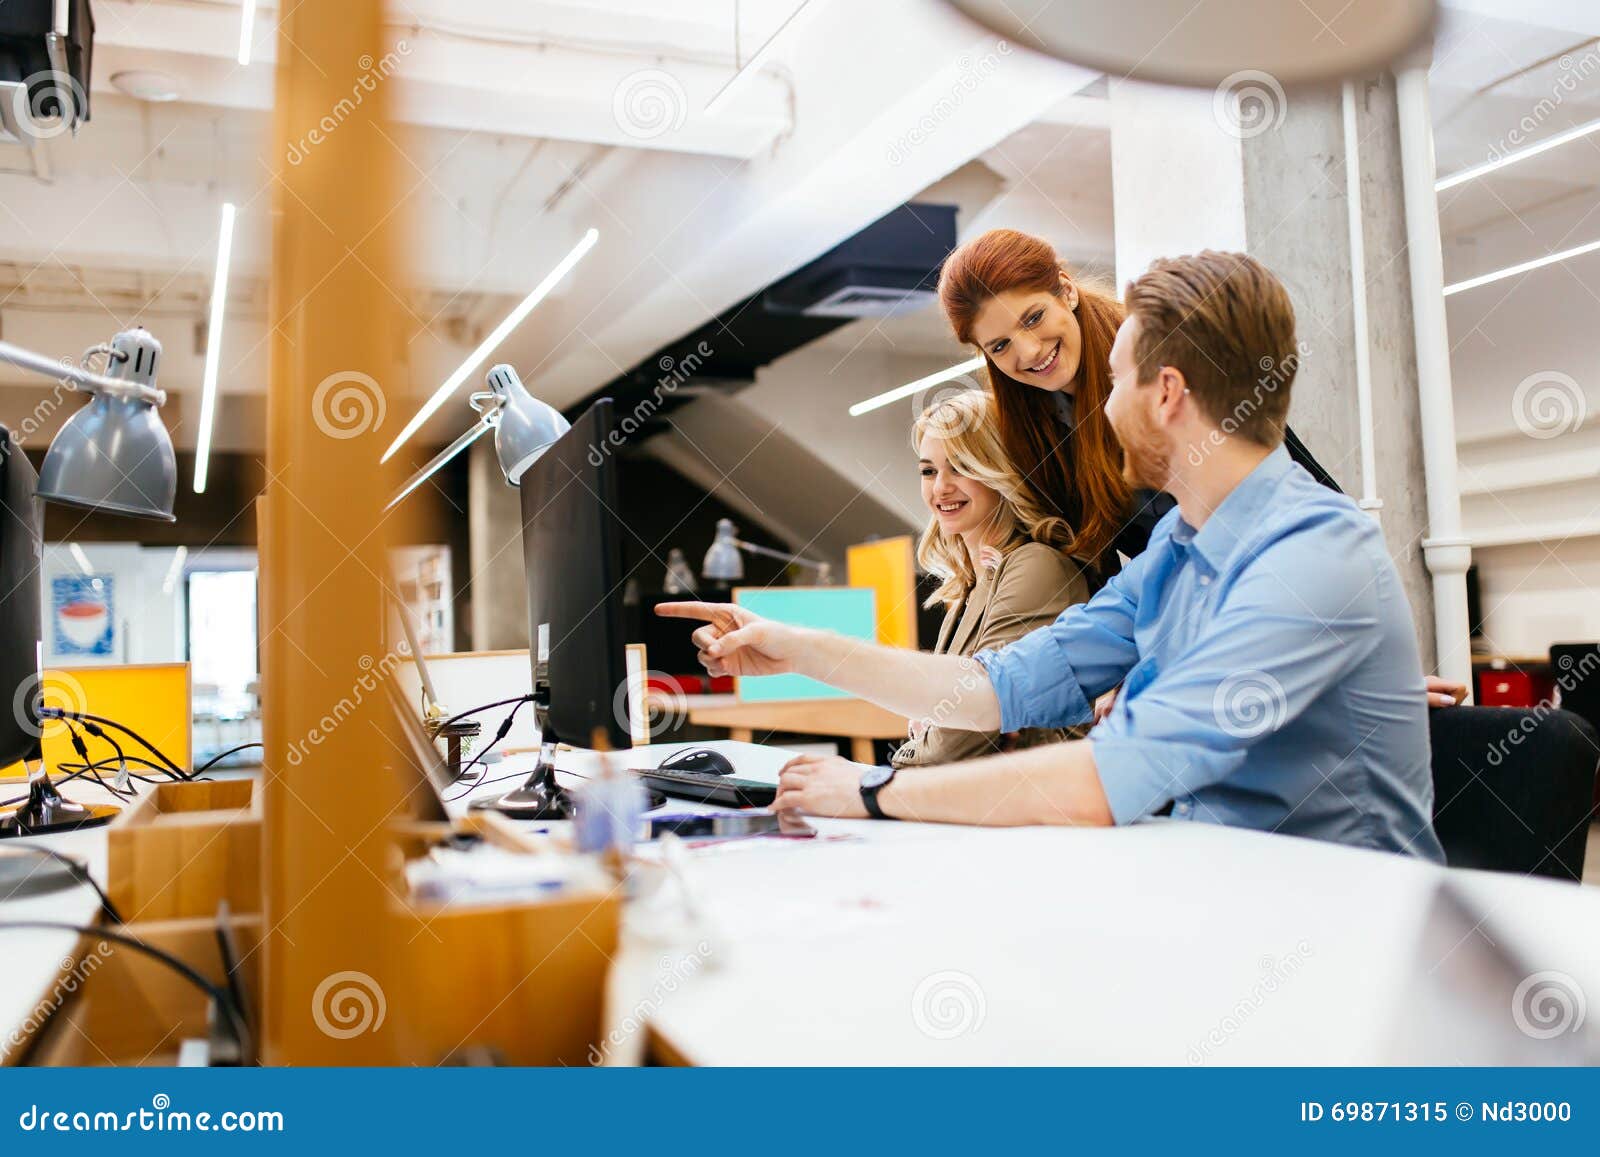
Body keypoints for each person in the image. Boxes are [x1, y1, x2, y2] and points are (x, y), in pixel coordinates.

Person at [659, 251, 1446, 861]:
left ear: (1166, 394)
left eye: (1113, 382)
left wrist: (872, 791)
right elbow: (997, 686)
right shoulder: (1174, 552)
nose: (1096, 408)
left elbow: (1109, 779)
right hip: (1216, 888)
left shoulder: (1308, 555)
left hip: (1339, 931)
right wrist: (796, 646)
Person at [937, 227, 1464, 709]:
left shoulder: (1157, 359)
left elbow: (1305, 506)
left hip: (1267, 616)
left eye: (1033, 318)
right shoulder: (1035, 425)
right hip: (1184, 632)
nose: (1029, 351)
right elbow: (1099, 572)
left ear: (1066, 292)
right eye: (1000, 345)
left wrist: (1364, 664)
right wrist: (1121, 673)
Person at [894, 389, 1089, 769]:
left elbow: (955, 746)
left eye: (962, 467)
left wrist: (927, 736)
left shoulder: (1036, 566)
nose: (940, 487)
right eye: (929, 470)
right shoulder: (971, 582)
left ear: (1001, 470)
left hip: (1039, 808)